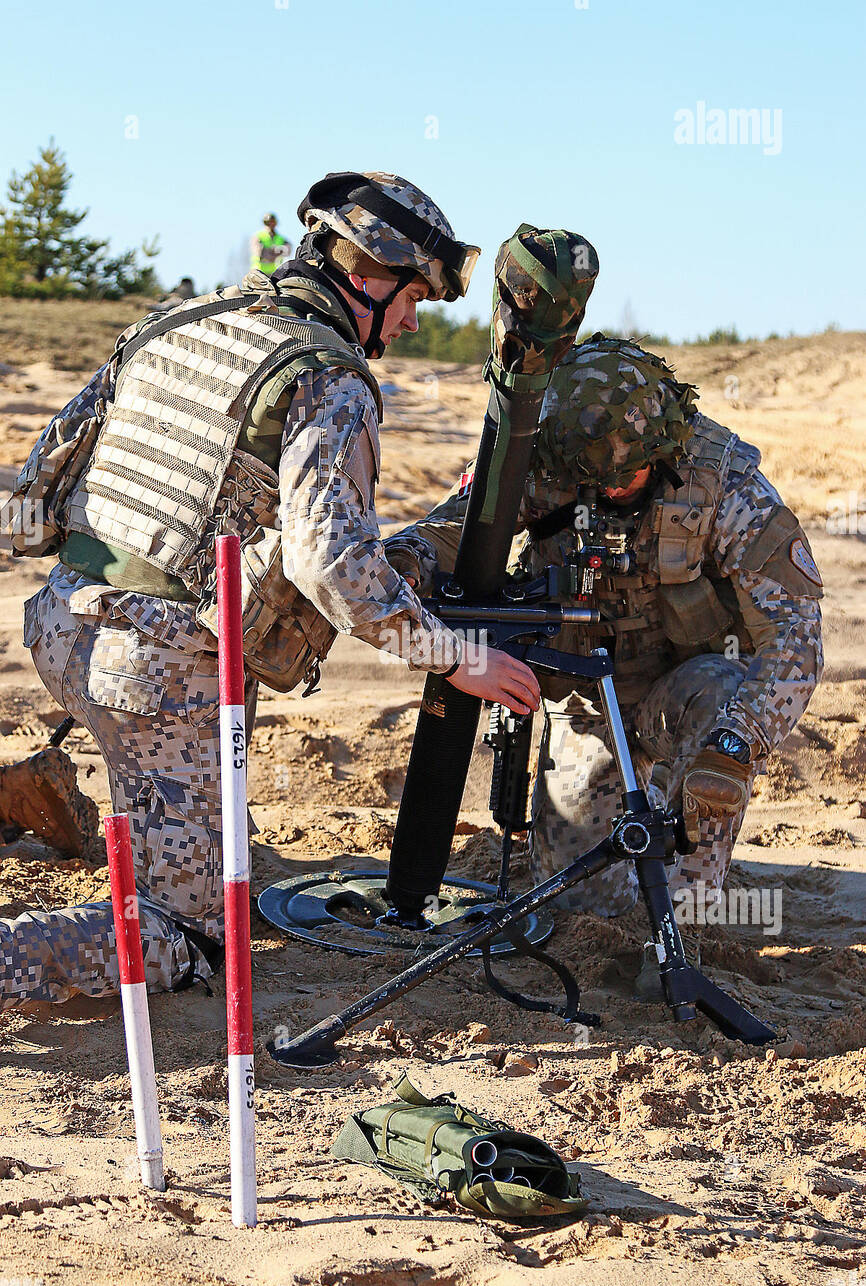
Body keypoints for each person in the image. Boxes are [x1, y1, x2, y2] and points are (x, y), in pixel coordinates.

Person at [2, 171, 539, 1011]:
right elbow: (333, 563)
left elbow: (32, 492)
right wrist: (454, 656)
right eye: (411, 300)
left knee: (205, 830)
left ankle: (177, 829)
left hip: (58, 628)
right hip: (157, 679)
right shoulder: (329, 377)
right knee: (191, 936)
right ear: (367, 274)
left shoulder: (177, 320)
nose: (408, 322)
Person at [387, 335, 824, 941]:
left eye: (627, 475)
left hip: (688, 689)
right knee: (578, 904)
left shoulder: (723, 483)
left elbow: (794, 635)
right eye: (597, 479)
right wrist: (402, 562)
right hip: (588, 697)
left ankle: (682, 927)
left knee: (715, 732)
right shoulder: (545, 463)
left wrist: (739, 739)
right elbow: (455, 532)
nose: (612, 490)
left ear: (663, 445)